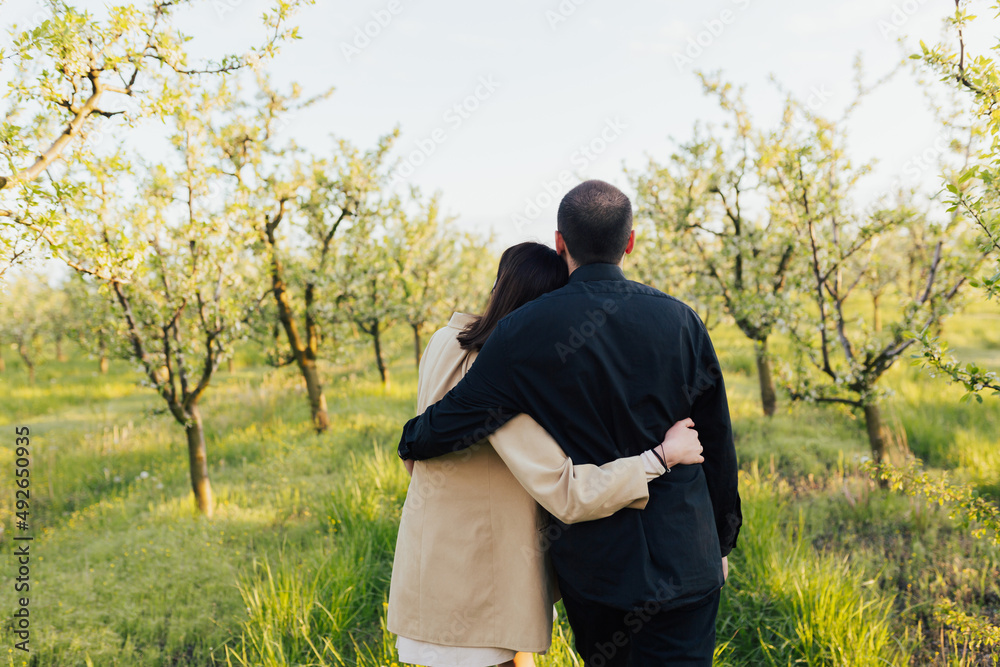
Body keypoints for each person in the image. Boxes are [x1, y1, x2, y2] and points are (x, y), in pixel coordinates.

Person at [398, 180, 742, 666]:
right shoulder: (682, 320)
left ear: (560, 242)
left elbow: (454, 419)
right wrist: (722, 542)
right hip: (686, 554)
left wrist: (411, 439)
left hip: (596, 567)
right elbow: (716, 439)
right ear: (630, 242)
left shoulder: (520, 330)